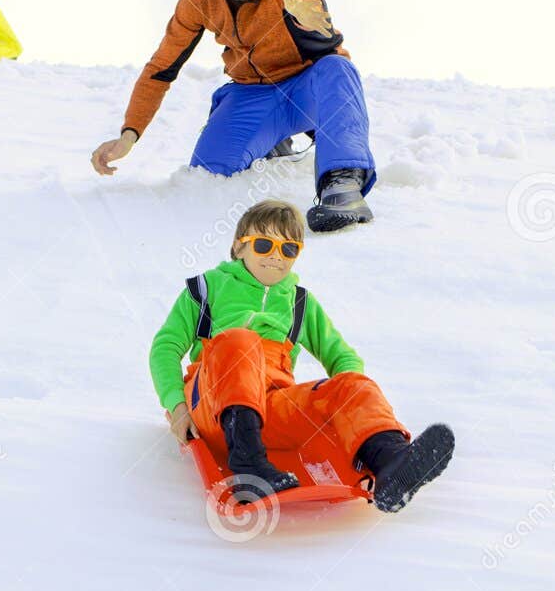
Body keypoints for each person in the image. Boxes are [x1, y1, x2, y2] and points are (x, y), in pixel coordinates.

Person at [150, 200, 454, 513]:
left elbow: (342, 357)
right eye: (264, 244)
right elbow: (166, 347)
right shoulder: (205, 289)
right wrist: (177, 405)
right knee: (240, 342)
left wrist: (346, 412)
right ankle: (248, 466)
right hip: (213, 407)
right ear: (238, 248)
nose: (275, 256)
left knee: (352, 383)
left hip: (270, 411)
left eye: (288, 249)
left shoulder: (299, 302)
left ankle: (390, 461)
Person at [91, 0, 376, 232]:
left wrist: (310, 20)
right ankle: (269, 143)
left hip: (306, 92)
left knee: (338, 69)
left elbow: (312, 6)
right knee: (209, 174)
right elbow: (162, 66)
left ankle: (342, 185)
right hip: (252, 94)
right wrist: (129, 134)